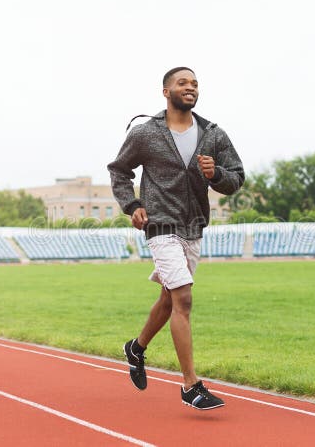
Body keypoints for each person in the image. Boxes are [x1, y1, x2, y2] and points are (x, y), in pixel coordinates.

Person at [108, 67, 245, 410]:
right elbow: (119, 170)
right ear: (165, 91)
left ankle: (136, 348)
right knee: (183, 299)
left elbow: (236, 178)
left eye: (195, 83)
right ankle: (190, 386)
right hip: (160, 225)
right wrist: (133, 204)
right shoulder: (145, 133)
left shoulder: (213, 134)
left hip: (193, 225)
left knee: (169, 300)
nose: (191, 87)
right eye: (183, 83)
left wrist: (218, 175)